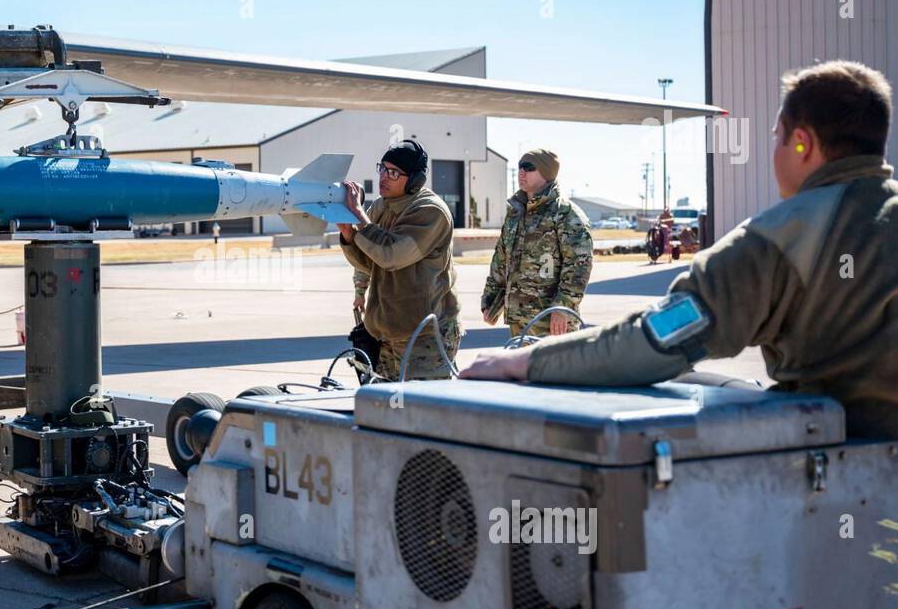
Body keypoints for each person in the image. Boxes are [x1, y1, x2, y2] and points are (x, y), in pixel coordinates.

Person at [459, 60, 898, 440]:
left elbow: (657, 339)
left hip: (843, 470)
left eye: (777, 137)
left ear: (801, 144)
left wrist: (526, 361)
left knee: (687, 380)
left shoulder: (786, 236)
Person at [338, 139, 460, 380]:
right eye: (382, 168)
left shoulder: (430, 210)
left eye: (393, 172)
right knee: (389, 410)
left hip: (425, 336)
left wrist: (361, 220)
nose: (384, 176)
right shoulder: (381, 208)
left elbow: (391, 255)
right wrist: (349, 235)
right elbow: (370, 262)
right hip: (388, 336)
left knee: (423, 410)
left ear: (414, 180)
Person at [481, 148, 593, 337]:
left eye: (529, 167)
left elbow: (578, 266)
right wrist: (491, 300)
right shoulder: (516, 214)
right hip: (519, 321)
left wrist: (563, 307)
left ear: (546, 173)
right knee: (521, 367)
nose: (521, 172)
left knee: (554, 367)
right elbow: (501, 259)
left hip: (552, 323)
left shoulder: (566, 214)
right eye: (520, 167)